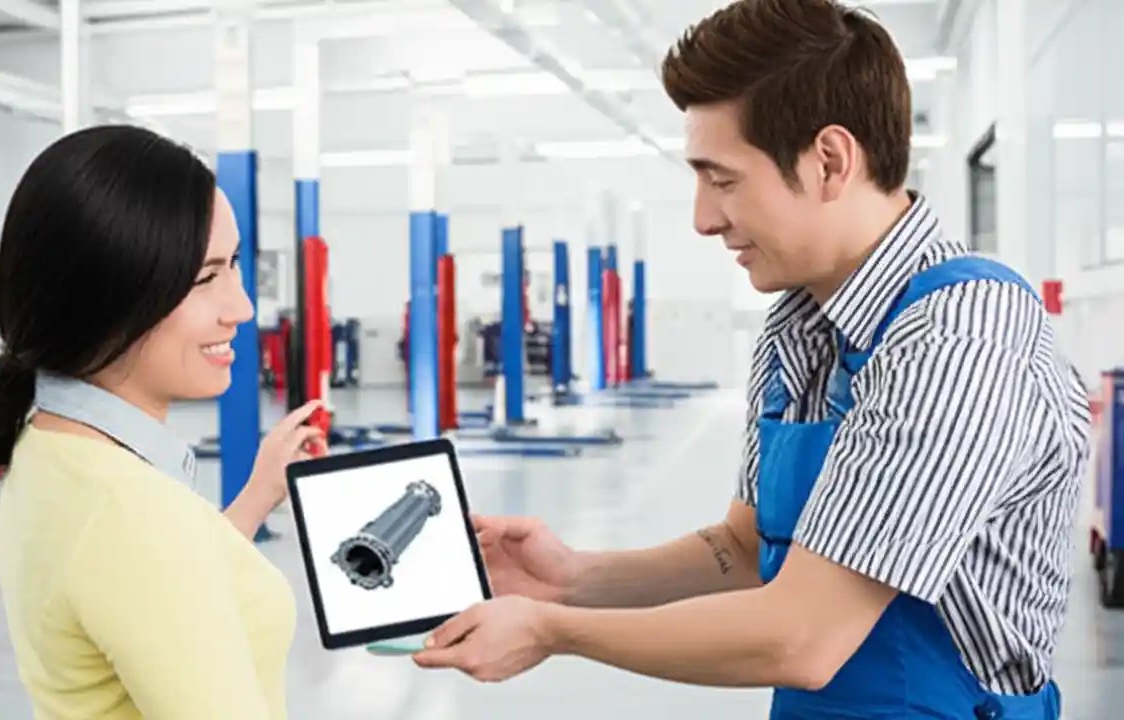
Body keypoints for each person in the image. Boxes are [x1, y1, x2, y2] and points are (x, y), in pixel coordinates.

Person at [412, 1, 1088, 718]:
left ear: (829, 161)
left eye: (723, 180)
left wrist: (555, 630)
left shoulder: (960, 341)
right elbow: (744, 549)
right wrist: (573, 580)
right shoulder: (798, 324)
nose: (703, 218)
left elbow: (803, 637)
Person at [0, 125, 325, 720]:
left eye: (234, 264)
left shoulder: (50, 446)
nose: (241, 307)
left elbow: (156, 593)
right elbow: (147, 554)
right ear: (109, 298)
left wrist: (257, 497)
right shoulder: (133, 515)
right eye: (205, 278)